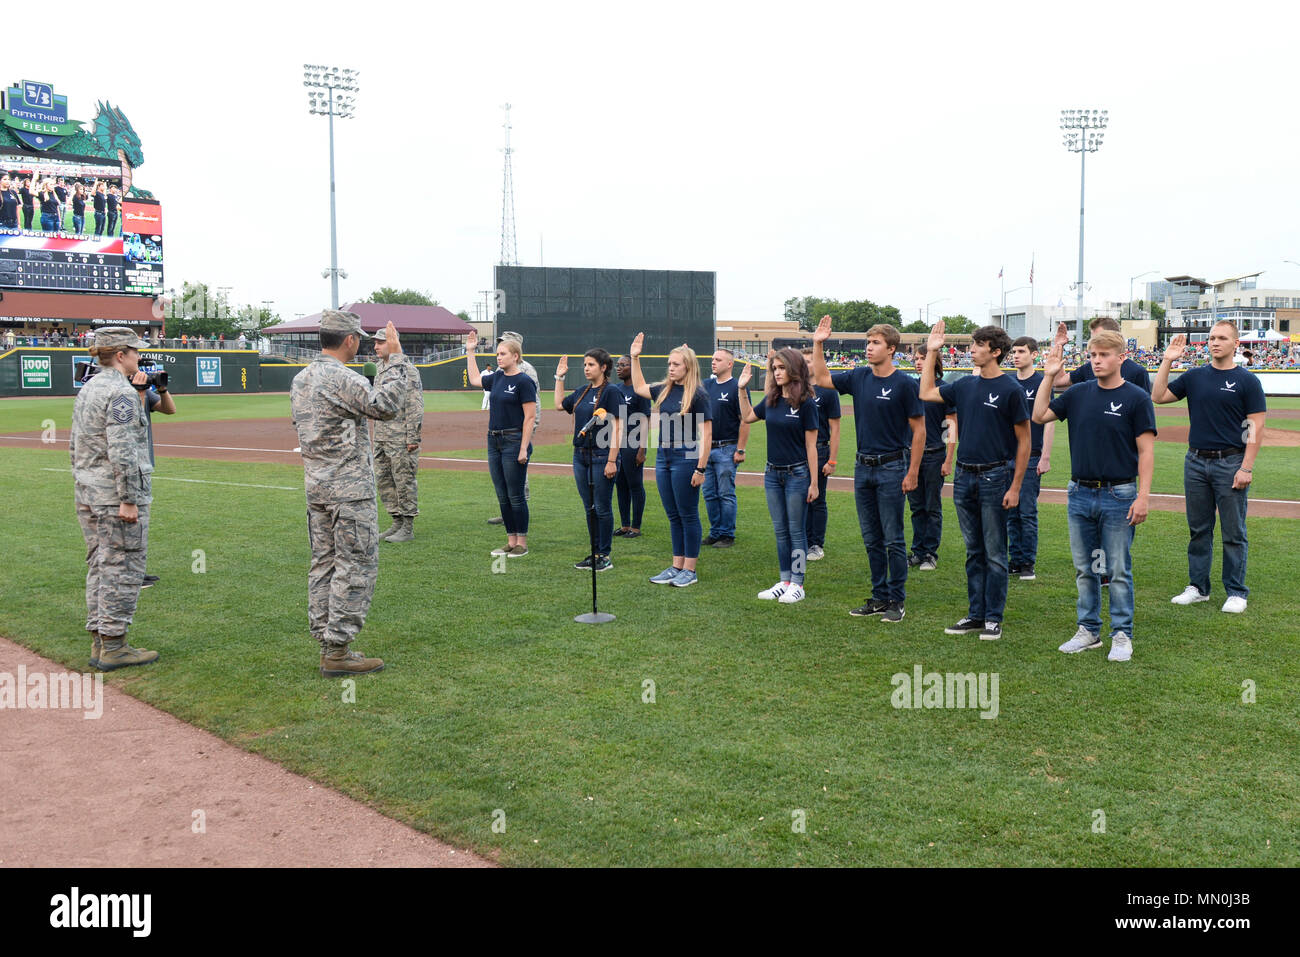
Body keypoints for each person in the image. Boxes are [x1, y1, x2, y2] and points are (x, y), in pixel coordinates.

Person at [290, 311, 410, 677]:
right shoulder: (341, 376)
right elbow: (385, 407)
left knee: (324, 564)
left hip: (317, 487)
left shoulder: (301, 378)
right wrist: (396, 359)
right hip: (349, 490)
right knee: (354, 565)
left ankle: (328, 644)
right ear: (350, 340)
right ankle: (338, 651)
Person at [1033, 329, 1156, 662]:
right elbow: (1039, 415)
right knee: (1085, 568)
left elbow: (1146, 452)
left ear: (1121, 358)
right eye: (1092, 355)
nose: (1097, 360)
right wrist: (1048, 376)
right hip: (1079, 494)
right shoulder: (1078, 393)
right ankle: (1088, 631)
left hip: (1119, 494)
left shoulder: (1136, 397)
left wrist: (1143, 496)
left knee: (1117, 569)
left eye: (1103, 355)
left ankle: (1121, 635)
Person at [919, 322, 1029, 641]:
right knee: (973, 551)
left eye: (979, 345)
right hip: (964, 476)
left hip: (996, 476)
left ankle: (993, 617)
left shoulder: (1011, 390)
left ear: (995, 351)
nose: (972, 349)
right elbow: (925, 391)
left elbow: (1024, 441)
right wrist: (932, 350)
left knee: (995, 551)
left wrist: (1016, 486)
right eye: (972, 344)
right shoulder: (964, 385)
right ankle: (975, 614)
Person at [812, 317, 924, 623]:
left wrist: (912, 472)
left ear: (891, 348)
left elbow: (920, 431)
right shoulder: (859, 376)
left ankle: (897, 600)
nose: (869, 347)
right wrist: (819, 342)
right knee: (871, 538)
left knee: (893, 538)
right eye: (868, 342)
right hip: (863, 468)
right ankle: (878, 596)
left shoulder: (904, 384)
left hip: (891, 467)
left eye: (875, 343)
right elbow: (821, 378)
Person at [1153, 323, 1267, 613]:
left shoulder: (1246, 380)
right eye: (1212, 338)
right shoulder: (1194, 376)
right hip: (1195, 461)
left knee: (1233, 531)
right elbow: (1159, 396)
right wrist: (1167, 360)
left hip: (1230, 461)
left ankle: (1236, 591)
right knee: (1199, 529)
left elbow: (1253, 426)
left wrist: (1246, 467)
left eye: (1222, 338)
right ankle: (1199, 587)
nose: (1215, 342)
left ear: (1235, 343)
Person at [68, 327, 160, 671]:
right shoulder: (120, 393)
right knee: (123, 567)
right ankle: (115, 645)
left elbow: (75, 445)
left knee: (100, 566)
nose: (140, 357)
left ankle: (99, 640)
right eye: (135, 351)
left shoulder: (90, 387)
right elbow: (123, 450)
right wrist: (129, 499)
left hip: (89, 490)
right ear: (120, 354)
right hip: (113, 495)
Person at [629, 332, 712, 587]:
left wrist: (701, 468)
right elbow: (639, 387)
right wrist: (635, 358)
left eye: (676, 364)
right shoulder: (665, 390)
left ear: (688, 366)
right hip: (663, 456)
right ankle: (676, 566)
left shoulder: (697, 394)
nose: (671, 368)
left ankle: (690, 570)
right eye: (669, 364)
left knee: (688, 514)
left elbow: (707, 434)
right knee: (673, 515)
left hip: (686, 456)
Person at [736, 350, 819, 603]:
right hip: (772, 474)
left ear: (793, 369)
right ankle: (784, 581)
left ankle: (798, 583)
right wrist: (742, 389)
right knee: (781, 531)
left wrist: (814, 483)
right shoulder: (771, 399)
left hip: (797, 475)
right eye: (774, 368)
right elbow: (748, 417)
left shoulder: (806, 403)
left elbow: (811, 446)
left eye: (781, 367)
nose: (777, 372)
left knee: (796, 531)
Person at [467, 329, 537, 556]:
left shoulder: (524, 381)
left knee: (515, 495)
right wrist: (470, 352)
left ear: (515, 356)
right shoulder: (496, 377)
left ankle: (522, 544)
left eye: (503, 353)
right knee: (502, 494)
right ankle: (510, 540)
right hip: (494, 439)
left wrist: (524, 447)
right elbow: (476, 380)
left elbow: (530, 417)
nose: (499, 357)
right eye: (497, 354)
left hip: (514, 440)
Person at [554, 348, 626, 571]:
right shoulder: (582, 391)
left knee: (602, 507)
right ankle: (594, 553)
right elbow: (559, 404)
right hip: (581, 456)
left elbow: (618, 426)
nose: (586, 368)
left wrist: (612, 460)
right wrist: (559, 377)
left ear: (603, 368)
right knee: (590, 508)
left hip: (602, 456)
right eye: (585, 364)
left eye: (591, 364)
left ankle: (604, 555)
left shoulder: (612, 391)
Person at [1007, 337, 1056, 582]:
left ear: (1034, 355)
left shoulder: (1041, 382)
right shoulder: (1006, 381)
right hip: (1006, 456)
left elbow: (1048, 421)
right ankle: (1014, 560)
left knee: (1026, 511)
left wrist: (1045, 456)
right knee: (1010, 511)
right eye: (1014, 352)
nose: (1016, 355)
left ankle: (1028, 562)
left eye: (1021, 351)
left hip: (1031, 455)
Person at [905, 342, 956, 572]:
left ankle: (929, 553)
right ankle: (917, 551)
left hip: (935, 455)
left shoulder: (943, 390)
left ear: (934, 362)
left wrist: (948, 459)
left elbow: (950, 426)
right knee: (916, 507)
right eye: (916, 358)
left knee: (932, 506)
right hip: (910, 456)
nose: (917, 362)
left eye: (922, 358)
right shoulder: (910, 388)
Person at [371, 327, 424, 543]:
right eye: (374, 342)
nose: (375, 346)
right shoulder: (378, 368)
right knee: (384, 480)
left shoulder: (407, 370)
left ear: (393, 344)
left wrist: (413, 437)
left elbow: (414, 405)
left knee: (404, 481)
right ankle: (396, 521)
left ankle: (408, 526)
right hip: (382, 436)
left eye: (380, 342)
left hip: (401, 437)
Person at [485, 331, 540, 525]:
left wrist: (529, 430)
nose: (499, 351)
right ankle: (509, 511)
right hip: (501, 430)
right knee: (504, 479)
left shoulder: (526, 371)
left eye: (504, 345)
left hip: (518, 428)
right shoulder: (501, 372)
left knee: (516, 477)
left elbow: (533, 404)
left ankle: (518, 510)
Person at [132, 358, 177, 589]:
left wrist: (162, 389)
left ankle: (137, 572)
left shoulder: (143, 391)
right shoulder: (122, 391)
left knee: (139, 525)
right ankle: (129, 576)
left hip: (144, 465)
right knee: (130, 525)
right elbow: (133, 421)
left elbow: (170, 409)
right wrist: (139, 392)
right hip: (131, 467)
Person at [701, 348, 751, 548]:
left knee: (725, 493)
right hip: (707, 448)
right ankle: (715, 532)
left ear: (729, 364)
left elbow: (745, 420)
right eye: (713, 359)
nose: (713, 362)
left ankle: (727, 534)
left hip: (727, 448)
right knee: (709, 493)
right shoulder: (707, 385)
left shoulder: (737, 386)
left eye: (718, 359)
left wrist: (740, 449)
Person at [801, 347, 842, 562]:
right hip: (798, 451)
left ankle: (816, 543)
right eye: (803, 361)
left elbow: (835, 428)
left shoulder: (827, 391)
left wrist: (832, 460)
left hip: (820, 449)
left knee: (817, 499)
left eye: (810, 361)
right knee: (799, 497)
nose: (806, 364)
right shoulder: (795, 389)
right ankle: (802, 541)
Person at [1049, 318, 1152, 393]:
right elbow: (1058, 381)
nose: (1094, 342)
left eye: (1099, 337)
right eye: (1092, 338)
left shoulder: (1137, 372)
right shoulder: (1090, 367)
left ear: (1115, 336)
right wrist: (1059, 346)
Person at [613, 354, 650, 538]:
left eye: (623, 365)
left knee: (635, 484)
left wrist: (642, 449)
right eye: (617, 365)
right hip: (617, 441)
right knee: (620, 484)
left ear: (632, 367)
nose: (618, 368)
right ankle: (625, 525)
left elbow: (645, 420)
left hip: (633, 441)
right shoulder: (617, 389)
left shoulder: (640, 390)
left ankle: (636, 527)